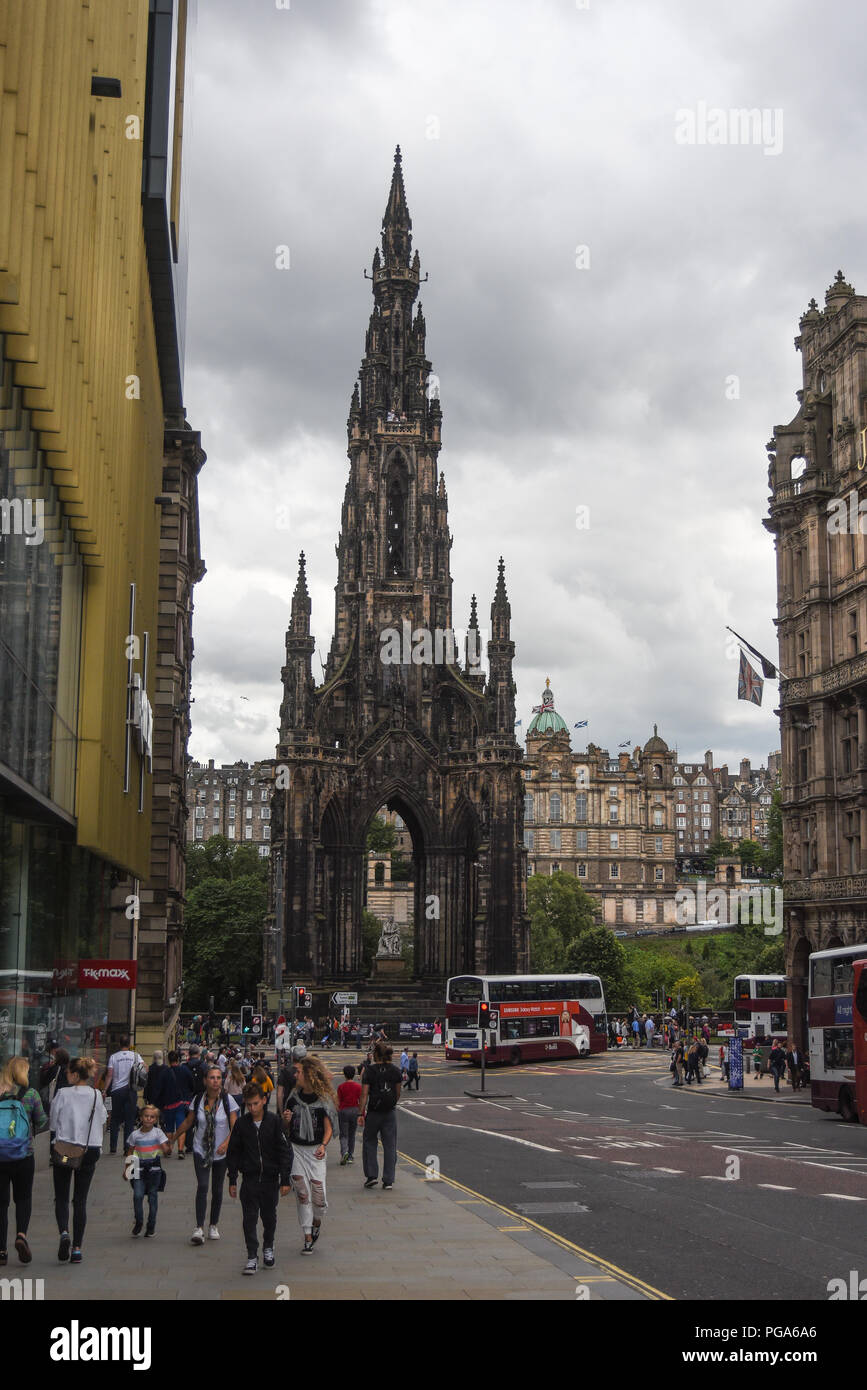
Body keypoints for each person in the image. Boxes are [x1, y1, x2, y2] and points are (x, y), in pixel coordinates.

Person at [227, 1082, 291, 1274]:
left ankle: (268, 1247)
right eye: (249, 1104)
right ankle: (252, 1255)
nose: (252, 1108)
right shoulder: (241, 1124)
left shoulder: (274, 1122)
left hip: (271, 1179)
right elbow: (234, 1152)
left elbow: (284, 1151)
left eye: (255, 1103)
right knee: (249, 1219)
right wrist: (232, 1179)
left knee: (269, 1217)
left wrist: (285, 1179)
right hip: (250, 1179)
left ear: (264, 1100)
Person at [172, 1063, 239, 1243]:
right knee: (202, 1186)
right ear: (205, 1080)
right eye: (212, 1078)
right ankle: (199, 1227)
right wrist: (172, 1138)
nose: (215, 1081)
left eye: (218, 1078)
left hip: (221, 1152)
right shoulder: (198, 1099)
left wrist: (226, 1143)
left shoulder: (228, 1100)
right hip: (201, 1149)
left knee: (217, 1190)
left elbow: (235, 1127)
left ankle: (213, 1225)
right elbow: (188, 1122)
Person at [50, 1057, 107, 1264]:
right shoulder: (95, 1095)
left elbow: (54, 1122)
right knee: (80, 1200)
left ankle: (64, 1232)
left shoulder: (63, 1094)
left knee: (62, 1196)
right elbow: (101, 1120)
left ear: (75, 1074)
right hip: (89, 1150)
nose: (66, 1076)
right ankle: (76, 1248)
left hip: (65, 1149)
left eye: (67, 1073)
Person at [283, 1055, 338, 1254]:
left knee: (318, 1197)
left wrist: (323, 1145)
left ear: (308, 1074)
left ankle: (316, 1220)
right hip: (296, 1149)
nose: (295, 1075)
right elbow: (285, 1128)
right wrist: (286, 1120)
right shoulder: (293, 1097)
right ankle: (307, 1235)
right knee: (302, 1192)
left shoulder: (323, 1099)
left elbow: (328, 1128)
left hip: (315, 1151)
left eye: (299, 1072)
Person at [0, 1056, 48, 1265]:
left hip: (0, 1157)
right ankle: (21, 1236)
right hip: (24, 1154)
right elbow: (42, 1121)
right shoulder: (31, 1094)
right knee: (23, 1199)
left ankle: (1, 1251)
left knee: (1, 1204)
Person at [359, 1042, 402, 1191]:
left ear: (375, 1054)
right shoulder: (396, 1071)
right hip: (389, 1112)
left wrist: (361, 1113)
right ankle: (388, 1180)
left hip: (373, 1112)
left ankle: (371, 1176)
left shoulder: (369, 1071)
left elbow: (364, 1094)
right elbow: (398, 1093)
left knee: (369, 1142)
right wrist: (390, 1104)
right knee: (390, 1146)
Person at [125, 1104, 171, 1237]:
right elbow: (130, 1152)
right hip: (138, 1168)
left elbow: (166, 1149)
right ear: (141, 1117)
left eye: (152, 1117)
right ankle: (139, 1221)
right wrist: (127, 1170)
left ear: (156, 1120)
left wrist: (166, 1148)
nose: (149, 1119)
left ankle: (151, 1225)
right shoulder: (135, 1135)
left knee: (152, 1197)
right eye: (146, 1116)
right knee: (137, 1196)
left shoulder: (158, 1133)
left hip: (154, 1169)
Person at [105, 1035, 145, 1154]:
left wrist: (105, 1089)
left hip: (116, 1090)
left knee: (115, 1119)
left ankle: (113, 1147)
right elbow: (145, 1069)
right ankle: (127, 1147)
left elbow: (109, 1075)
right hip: (130, 1090)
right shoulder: (136, 1056)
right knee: (129, 1120)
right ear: (129, 1044)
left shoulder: (113, 1057)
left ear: (119, 1044)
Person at [337, 1065, 362, 1165]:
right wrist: (362, 1114)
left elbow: (338, 1101)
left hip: (344, 1110)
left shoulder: (341, 1087)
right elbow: (361, 1100)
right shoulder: (358, 1086)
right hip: (355, 1110)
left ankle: (344, 1153)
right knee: (352, 1134)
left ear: (344, 1075)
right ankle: (350, 1156)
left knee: (343, 1134)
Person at [277, 1045, 304, 1114]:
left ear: (292, 1057)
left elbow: (279, 1095)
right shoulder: (307, 1071)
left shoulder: (285, 1071)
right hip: (303, 1107)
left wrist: (281, 1113)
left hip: (288, 1106)